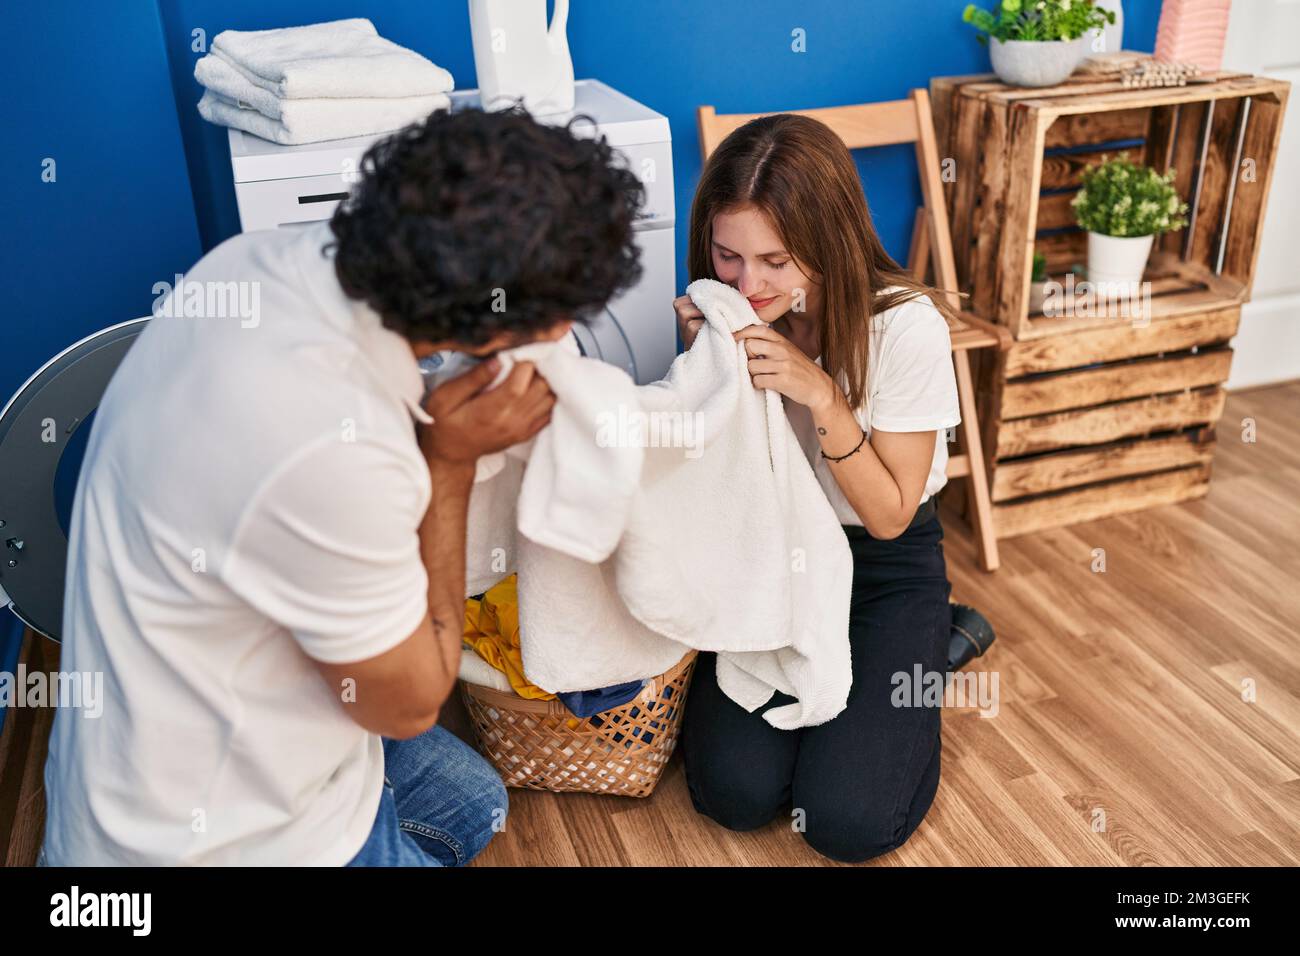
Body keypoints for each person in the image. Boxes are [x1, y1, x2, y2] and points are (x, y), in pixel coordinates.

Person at [40, 106, 645, 866]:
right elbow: (411, 704)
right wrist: (449, 462)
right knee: (439, 765)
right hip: (207, 841)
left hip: (146, 744)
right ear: (493, 322)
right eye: (557, 317)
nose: (561, 336)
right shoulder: (327, 443)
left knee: (474, 802)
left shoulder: (249, 261)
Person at [675, 113, 958, 863]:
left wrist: (823, 398)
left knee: (845, 821)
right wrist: (698, 374)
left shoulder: (906, 330)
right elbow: (707, 478)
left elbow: (893, 515)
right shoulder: (723, 313)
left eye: (776, 260)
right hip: (773, 555)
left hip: (883, 568)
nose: (749, 284)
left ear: (827, 242)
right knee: (732, 796)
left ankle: (939, 642)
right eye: (727, 256)